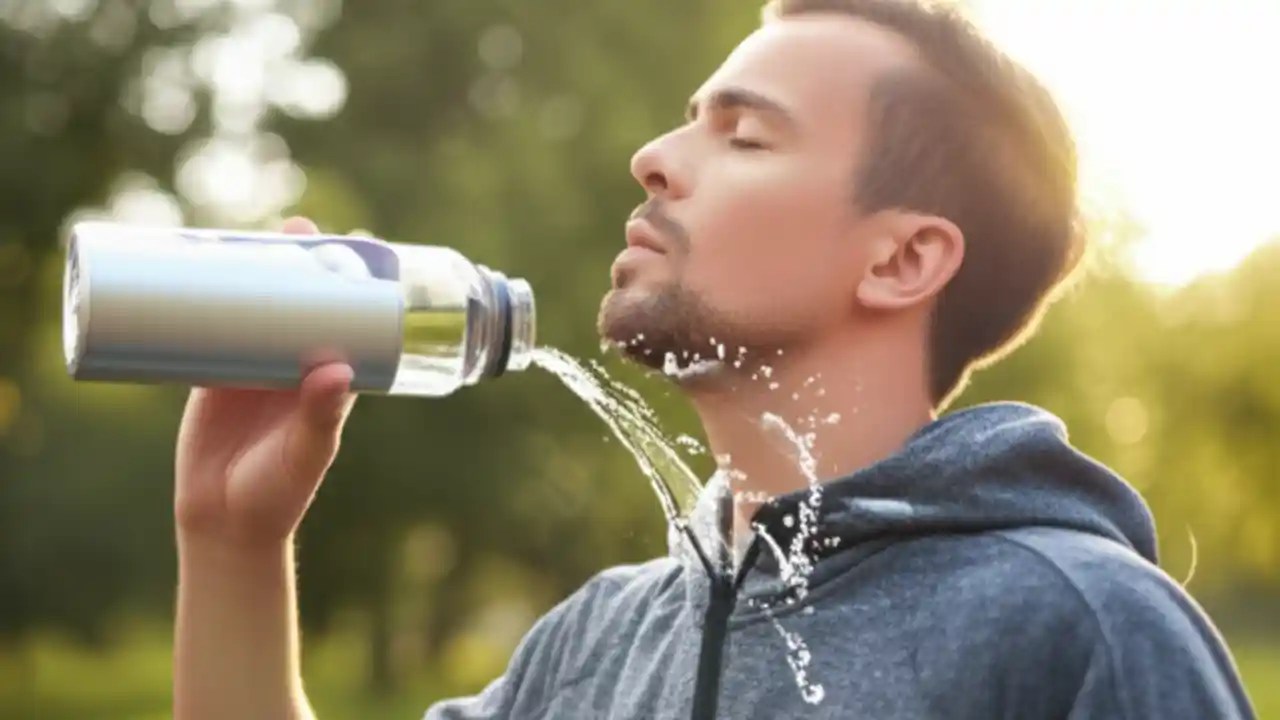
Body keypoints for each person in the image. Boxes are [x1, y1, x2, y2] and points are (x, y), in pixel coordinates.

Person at [171, 1, 1257, 718]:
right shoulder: (591, 646)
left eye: (743, 136)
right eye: (689, 121)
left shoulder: (1075, 632)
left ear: (902, 259)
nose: (651, 158)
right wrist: (229, 545)